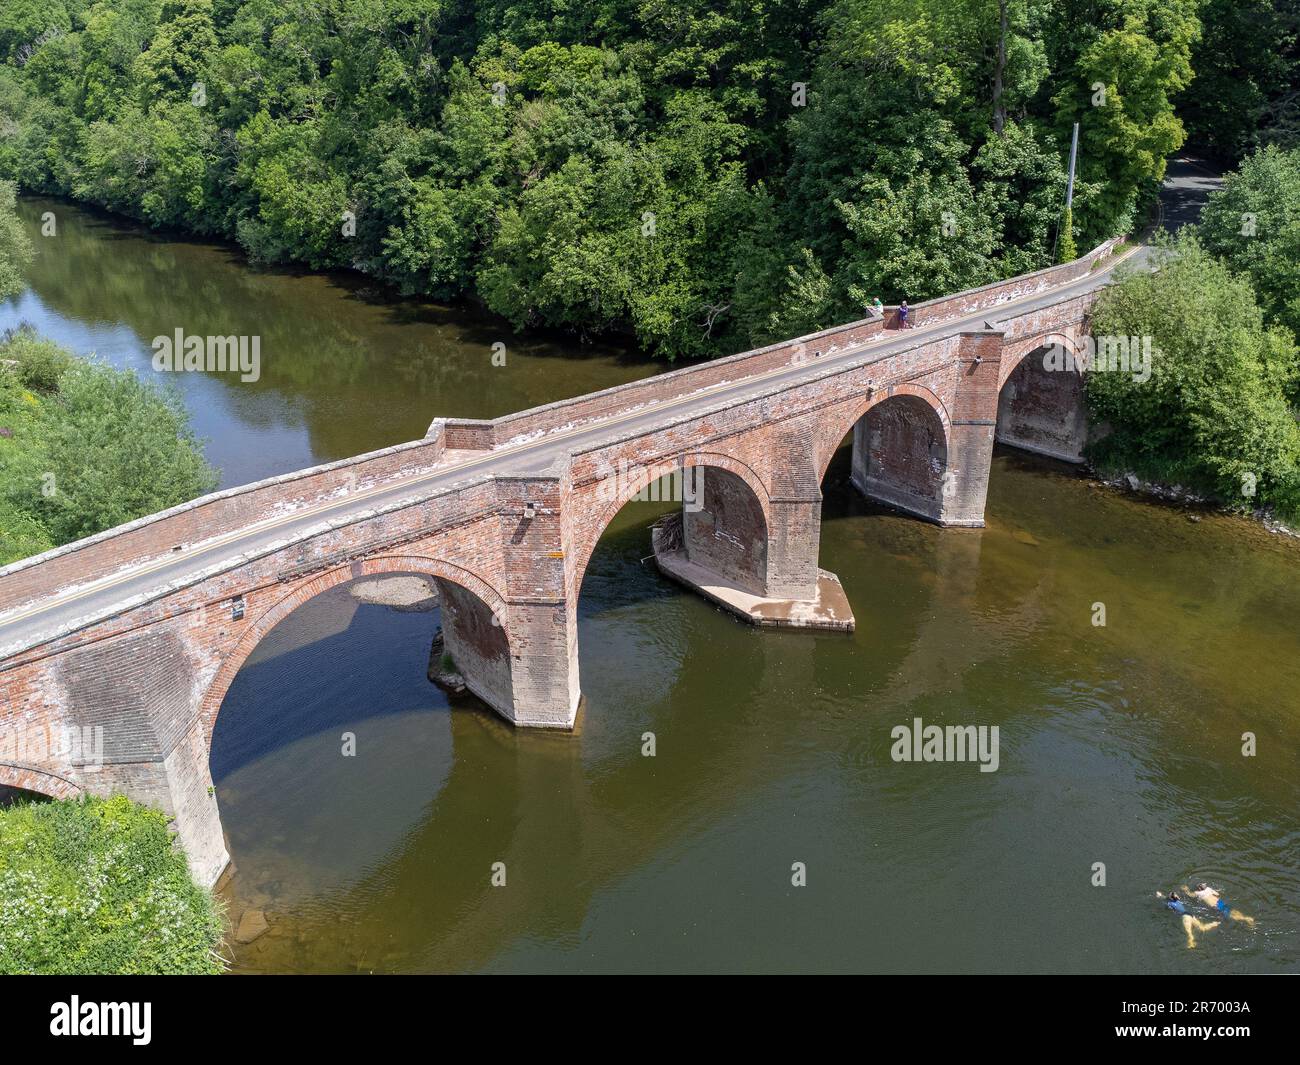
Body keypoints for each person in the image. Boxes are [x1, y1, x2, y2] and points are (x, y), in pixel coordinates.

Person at [1186, 882, 1256, 926]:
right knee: (1231, 911)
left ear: (1199, 888)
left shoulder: (1197, 893)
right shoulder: (1209, 889)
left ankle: (1245, 918)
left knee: (1229, 915)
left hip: (1215, 906)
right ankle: (1245, 917)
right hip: (1220, 902)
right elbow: (1217, 894)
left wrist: (1186, 890)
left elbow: (1190, 895)